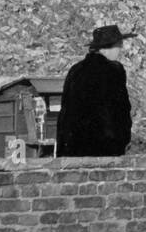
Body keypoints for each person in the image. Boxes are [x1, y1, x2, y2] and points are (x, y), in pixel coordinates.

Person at [56, 25, 136, 157]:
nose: (120, 50)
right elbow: (120, 110)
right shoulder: (113, 70)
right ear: (109, 47)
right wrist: (121, 140)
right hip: (105, 146)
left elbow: (65, 112)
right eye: (119, 45)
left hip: (73, 147)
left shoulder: (76, 70)